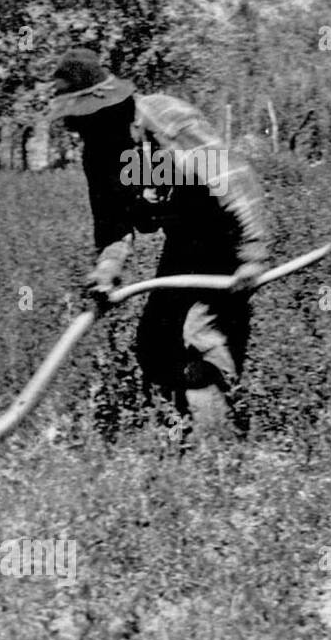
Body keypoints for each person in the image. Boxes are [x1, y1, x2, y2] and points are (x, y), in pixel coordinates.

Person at [47, 48, 271, 434]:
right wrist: (107, 270)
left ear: (107, 105)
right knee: (155, 344)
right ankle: (183, 434)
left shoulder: (166, 119)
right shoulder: (102, 153)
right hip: (185, 242)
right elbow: (113, 224)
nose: (81, 130)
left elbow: (234, 181)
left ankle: (218, 451)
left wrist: (252, 252)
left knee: (200, 338)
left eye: (85, 118)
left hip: (227, 236)